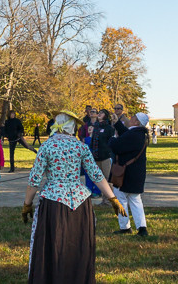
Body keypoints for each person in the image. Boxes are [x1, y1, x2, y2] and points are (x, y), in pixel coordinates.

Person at [23, 111, 126, 284]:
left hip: (54, 204)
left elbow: (34, 180)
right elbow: (96, 175)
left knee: (54, 245)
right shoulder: (80, 147)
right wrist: (112, 198)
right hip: (80, 204)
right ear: (72, 127)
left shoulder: (47, 146)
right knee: (76, 246)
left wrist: (27, 204)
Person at [109, 111, 150, 236]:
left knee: (120, 199)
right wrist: (117, 123)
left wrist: (111, 138)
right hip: (136, 173)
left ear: (137, 122)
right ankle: (142, 227)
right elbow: (126, 134)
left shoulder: (134, 135)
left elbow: (117, 146)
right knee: (135, 200)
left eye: (133, 117)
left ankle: (125, 226)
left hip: (126, 173)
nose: (130, 118)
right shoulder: (139, 134)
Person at [90, 109, 115, 190]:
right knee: (99, 180)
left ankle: (109, 201)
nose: (99, 114)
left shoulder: (109, 128)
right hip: (96, 157)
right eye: (99, 112)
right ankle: (103, 200)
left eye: (102, 113)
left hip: (105, 157)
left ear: (106, 115)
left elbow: (111, 142)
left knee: (108, 179)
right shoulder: (95, 127)